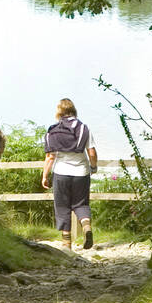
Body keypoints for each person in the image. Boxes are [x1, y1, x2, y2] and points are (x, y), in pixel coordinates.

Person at [41, 97, 98, 250]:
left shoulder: (52, 130)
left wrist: (45, 176)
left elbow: (50, 157)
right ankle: (86, 227)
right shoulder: (84, 128)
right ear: (74, 111)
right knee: (81, 204)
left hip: (61, 172)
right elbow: (91, 152)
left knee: (62, 206)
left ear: (59, 112)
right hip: (81, 173)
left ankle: (67, 244)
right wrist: (93, 167)